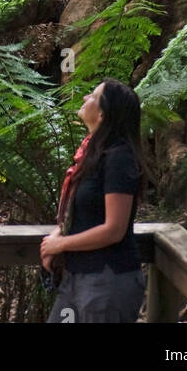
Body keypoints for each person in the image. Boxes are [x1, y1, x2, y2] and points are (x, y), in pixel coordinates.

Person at [40, 77, 147, 323]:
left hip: (107, 283)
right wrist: (59, 234)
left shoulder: (119, 158)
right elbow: (81, 213)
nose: (85, 98)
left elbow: (114, 230)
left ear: (102, 114)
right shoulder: (91, 154)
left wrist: (62, 245)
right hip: (78, 278)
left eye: (93, 96)